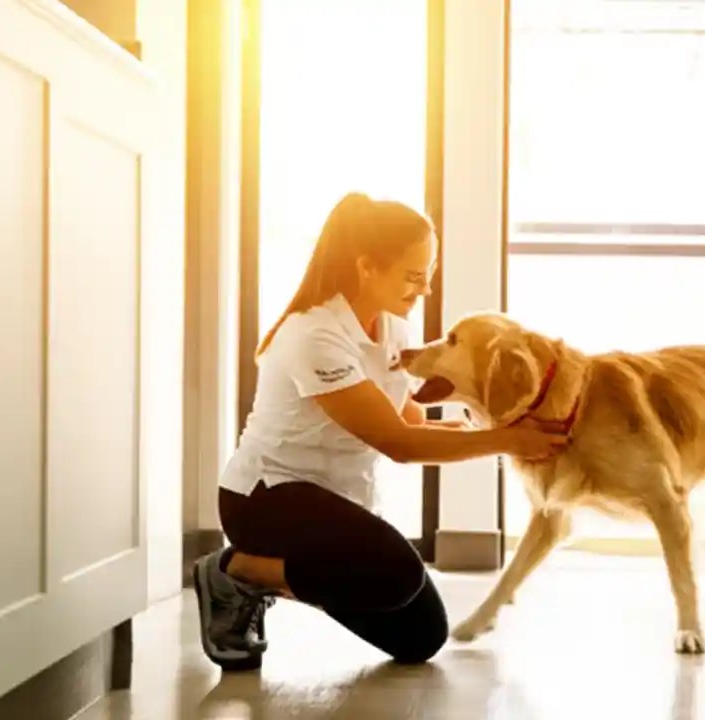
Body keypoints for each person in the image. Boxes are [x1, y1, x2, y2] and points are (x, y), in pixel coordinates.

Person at [192, 192, 569, 671]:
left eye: (428, 275)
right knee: (394, 572)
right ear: (367, 267)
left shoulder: (392, 327)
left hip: (337, 506)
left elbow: (407, 418)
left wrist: (506, 427)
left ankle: (269, 576)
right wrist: (507, 441)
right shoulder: (314, 335)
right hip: (266, 502)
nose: (425, 289)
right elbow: (399, 444)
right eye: (414, 276)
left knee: (421, 637)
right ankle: (238, 571)